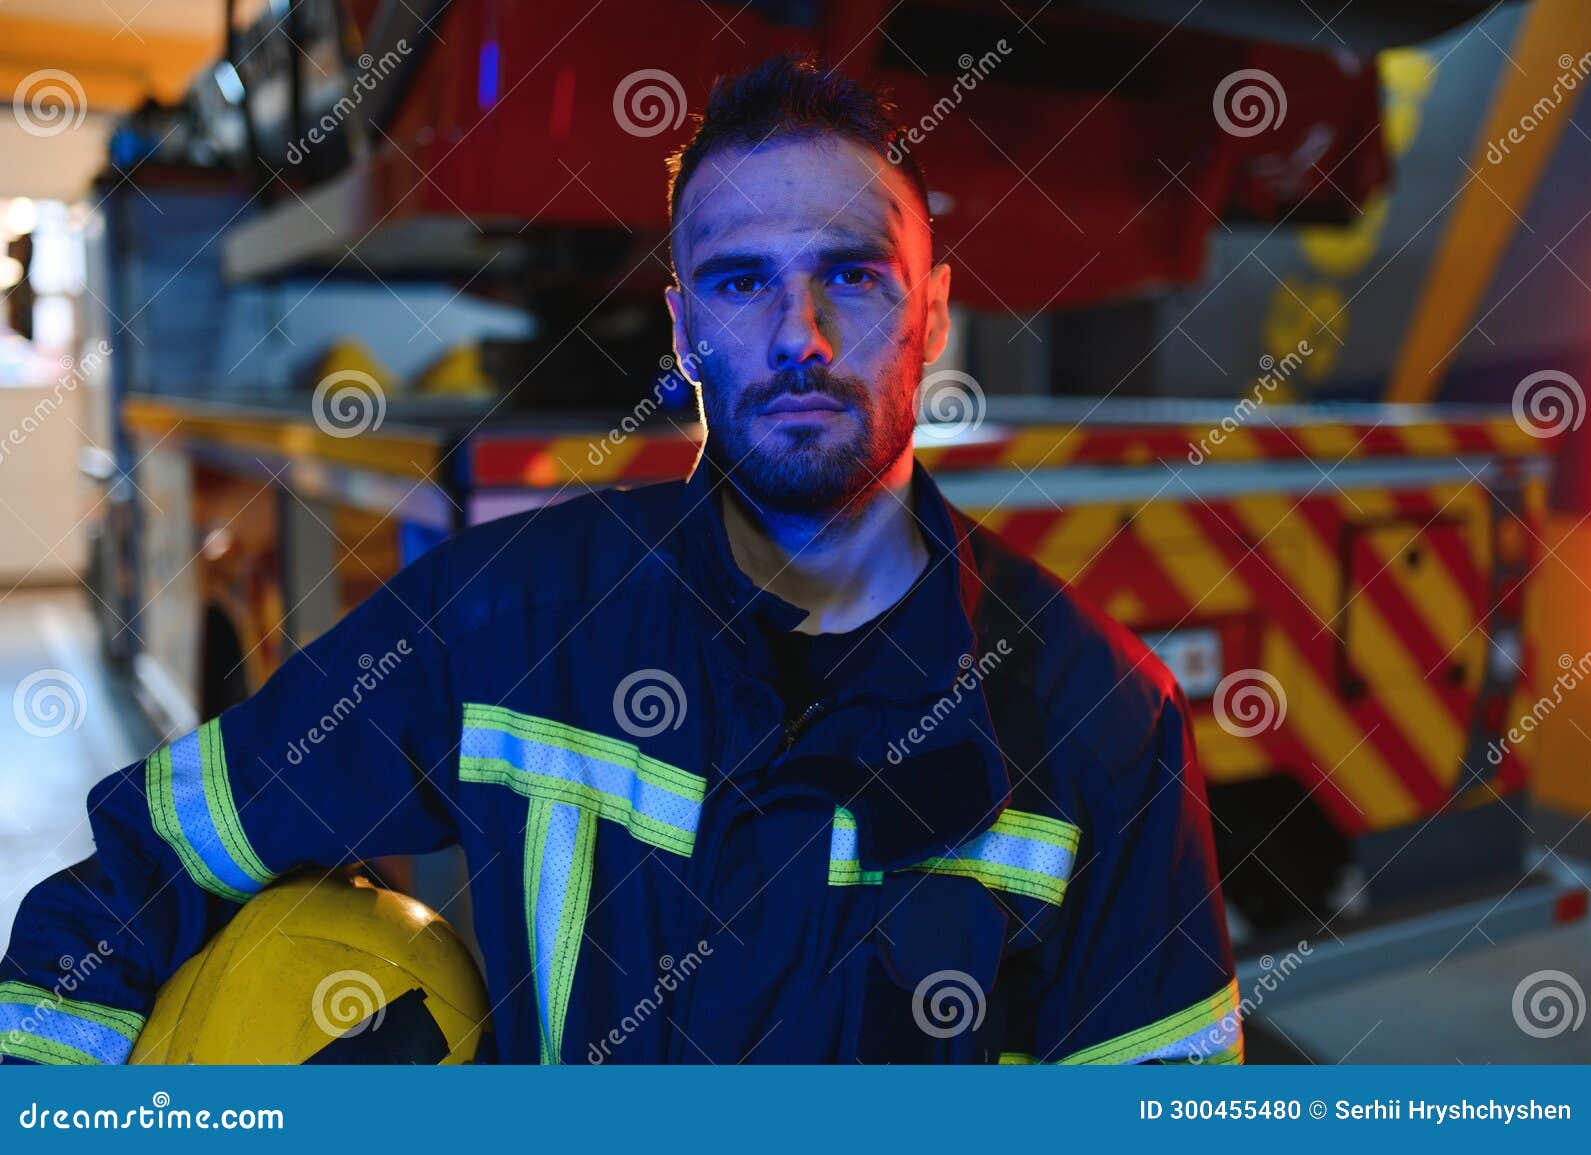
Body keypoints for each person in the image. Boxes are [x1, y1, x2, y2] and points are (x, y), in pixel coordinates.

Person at [1, 54, 1238, 1065]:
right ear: (688, 327)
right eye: (742, 282)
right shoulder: (509, 618)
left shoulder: (1099, 718)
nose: (798, 337)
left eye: (850, 276)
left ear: (930, 312)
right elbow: (166, 847)